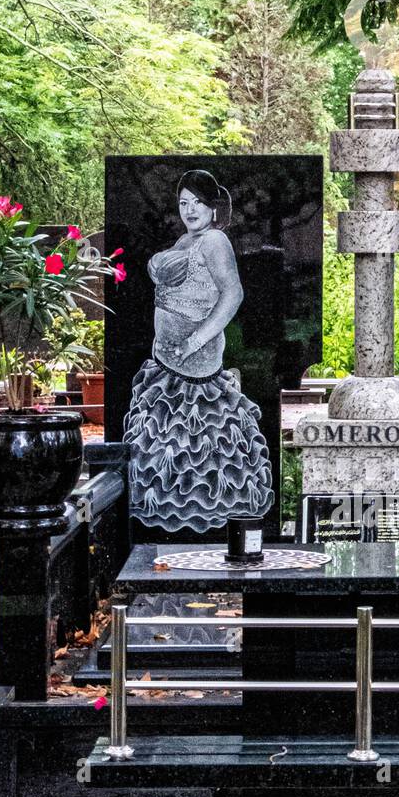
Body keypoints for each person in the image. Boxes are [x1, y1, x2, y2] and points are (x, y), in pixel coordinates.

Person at [123, 170, 274, 533]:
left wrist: (193, 342)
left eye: (198, 203)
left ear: (213, 207)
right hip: (165, 362)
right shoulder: (184, 240)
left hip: (195, 362)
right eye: (183, 203)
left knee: (200, 444)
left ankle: (202, 523)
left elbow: (233, 294)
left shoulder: (215, 241)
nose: (190, 210)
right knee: (166, 446)